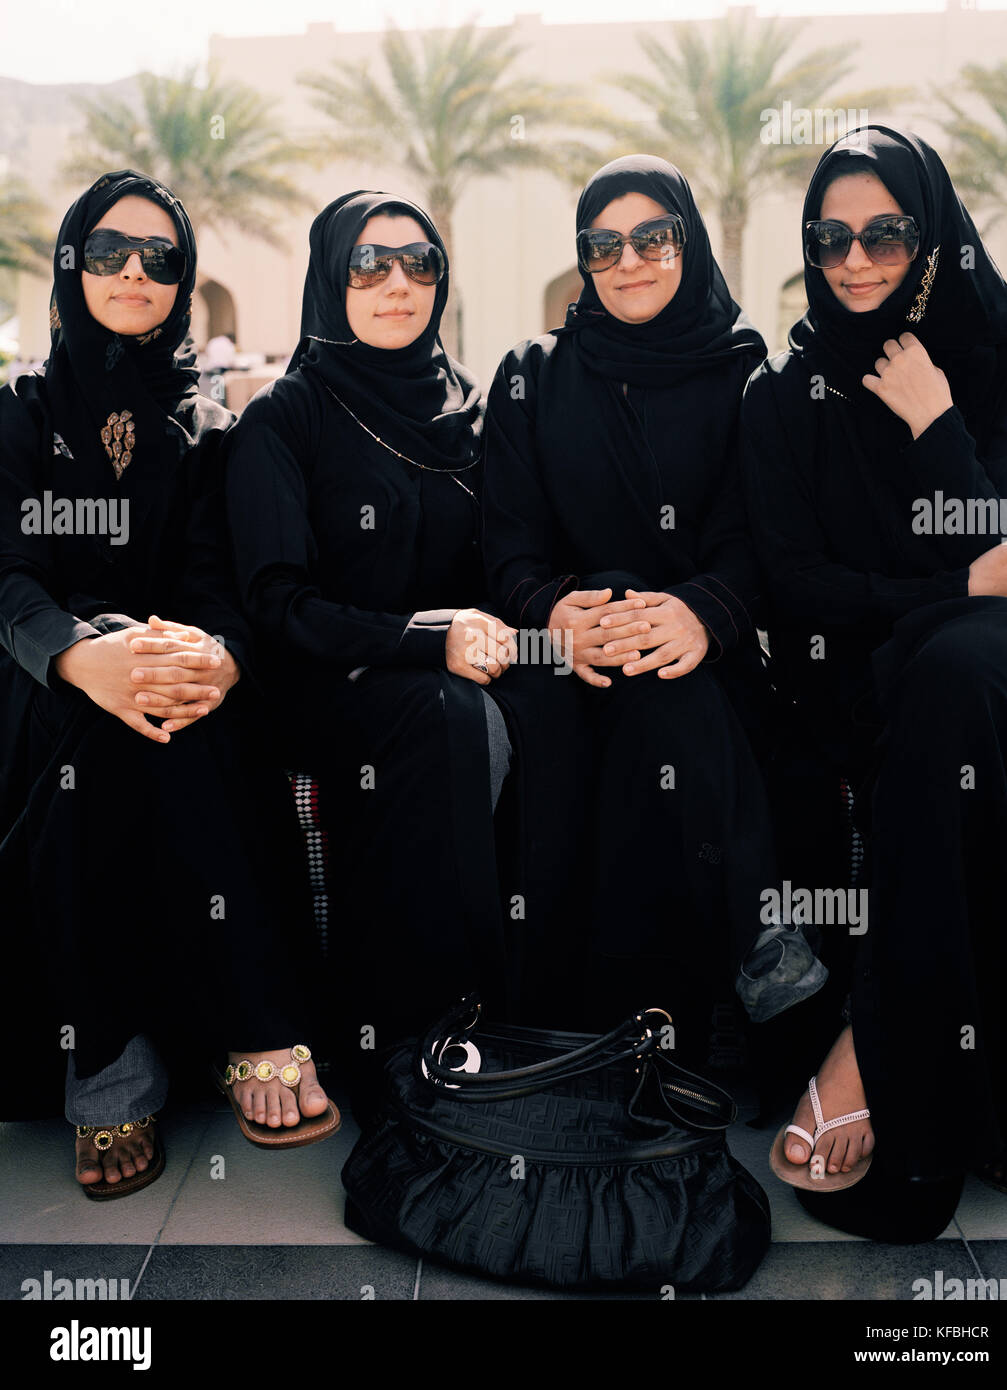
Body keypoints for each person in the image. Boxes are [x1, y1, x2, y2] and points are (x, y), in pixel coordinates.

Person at [0, 170, 339, 1199]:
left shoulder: (213, 420)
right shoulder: (20, 410)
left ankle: (112, 1070)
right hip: (45, 682)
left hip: (180, 683)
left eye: (162, 257)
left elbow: (219, 577)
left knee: (167, 713)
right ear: (70, 265)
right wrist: (76, 652)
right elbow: (8, 573)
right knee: (106, 723)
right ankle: (234, 1032)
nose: (135, 272)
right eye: (108, 251)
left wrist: (218, 655)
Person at [740, 126, 1007, 1239]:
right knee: (942, 672)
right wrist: (947, 584)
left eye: (883, 233)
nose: (855, 260)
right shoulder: (783, 396)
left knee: (959, 676)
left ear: (932, 238)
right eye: (828, 238)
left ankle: (868, 1044)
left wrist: (936, 423)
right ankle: (1004, 1091)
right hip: (857, 673)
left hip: (1003, 668)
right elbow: (790, 585)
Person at [224, 191, 579, 1090]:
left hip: (461, 666)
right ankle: (421, 1034)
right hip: (325, 679)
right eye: (369, 264)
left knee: (566, 697)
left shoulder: (470, 407)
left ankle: (564, 1016)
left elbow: (508, 559)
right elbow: (277, 603)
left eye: (419, 263)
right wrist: (428, 641)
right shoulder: (287, 416)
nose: (397, 284)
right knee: (445, 716)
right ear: (329, 278)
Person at [481, 155, 793, 1049]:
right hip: (561, 648)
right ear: (582, 257)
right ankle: (748, 938)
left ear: (687, 244)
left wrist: (699, 612)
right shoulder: (532, 376)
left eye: (653, 237)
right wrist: (554, 611)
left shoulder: (746, 374)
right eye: (603, 243)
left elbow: (756, 540)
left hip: (701, 646)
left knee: (670, 686)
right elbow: (506, 546)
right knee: (581, 708)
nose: (629, 260)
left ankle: (642, 1028)